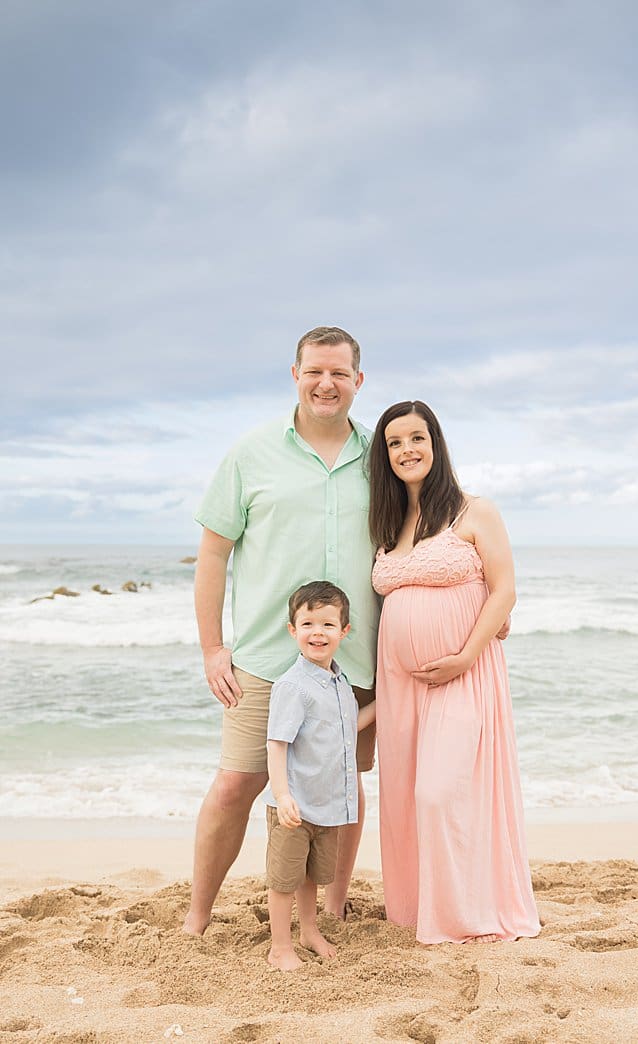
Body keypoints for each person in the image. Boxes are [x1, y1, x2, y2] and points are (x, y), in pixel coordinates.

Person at [184, 327, 380, 935]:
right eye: (315, 371)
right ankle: (198, 915)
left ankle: (334, 905)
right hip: (268, 659)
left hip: (356, 661)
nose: (327, 384)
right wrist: (213, 647)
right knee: (237, 781)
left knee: (342, 781)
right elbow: (213, 553)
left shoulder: (380, 457)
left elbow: (426, 536)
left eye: (340, 374)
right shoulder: (251, 453)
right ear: (295, 374)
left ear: (358, 381)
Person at [369, 400, 539, 944]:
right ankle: (421, 908)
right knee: (403, 798)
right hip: (402, 686)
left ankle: (467, 912)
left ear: (436, 443)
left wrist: (466, 653)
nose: (406, 451)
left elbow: (505, 588)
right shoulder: (387, 523)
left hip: (464, 673)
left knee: (441, 793)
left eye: (416, 438)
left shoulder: (474, 511)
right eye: (394, 443)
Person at [264, 582, 376, 970]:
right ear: (292, 629)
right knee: (284, 880)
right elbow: (276, 743)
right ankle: (280, 946)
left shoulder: (341, 684)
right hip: (294, 803)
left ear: (344, 631)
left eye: (328, 624)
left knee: (311, 877)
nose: (317, 632)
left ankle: (309, 930)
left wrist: (382, 705)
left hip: (325, 804)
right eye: (308, 623)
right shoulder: (292, 686)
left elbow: (348, 728)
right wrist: (282, 796)